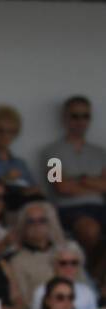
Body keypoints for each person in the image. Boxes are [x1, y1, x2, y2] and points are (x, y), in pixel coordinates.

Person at [40, 96, 106, 257]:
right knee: (90, 230)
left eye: (85, 116)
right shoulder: (51, 152)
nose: (80, 121)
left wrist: (79, 180)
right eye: (75, 116)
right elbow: (60, 186)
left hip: (100, 208)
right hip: (68, 210)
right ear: (66, 118)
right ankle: (93, 273)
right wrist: (93, 182)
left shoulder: (101, 153)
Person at [0, 105, 42, 205]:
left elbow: (34, 188)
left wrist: (28, 190)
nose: (5, 136)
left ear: (16, 134)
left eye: (10, 132)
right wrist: (5, 179)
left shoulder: (20, 163)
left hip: (24, 206)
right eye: (0, 131)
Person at [7, 200, 66, 307]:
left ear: (51, 223)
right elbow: (24, 301)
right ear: (23, 227)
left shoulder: (67, 252)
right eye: (30, 221)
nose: (36, 225)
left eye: (42, 220)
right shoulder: (17, 261)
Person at [29, 241, 98, 309]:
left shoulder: (87, 293)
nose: (69, 267)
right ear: (53, 265)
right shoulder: (41, 291)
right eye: (63, 263)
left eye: (74, 263)